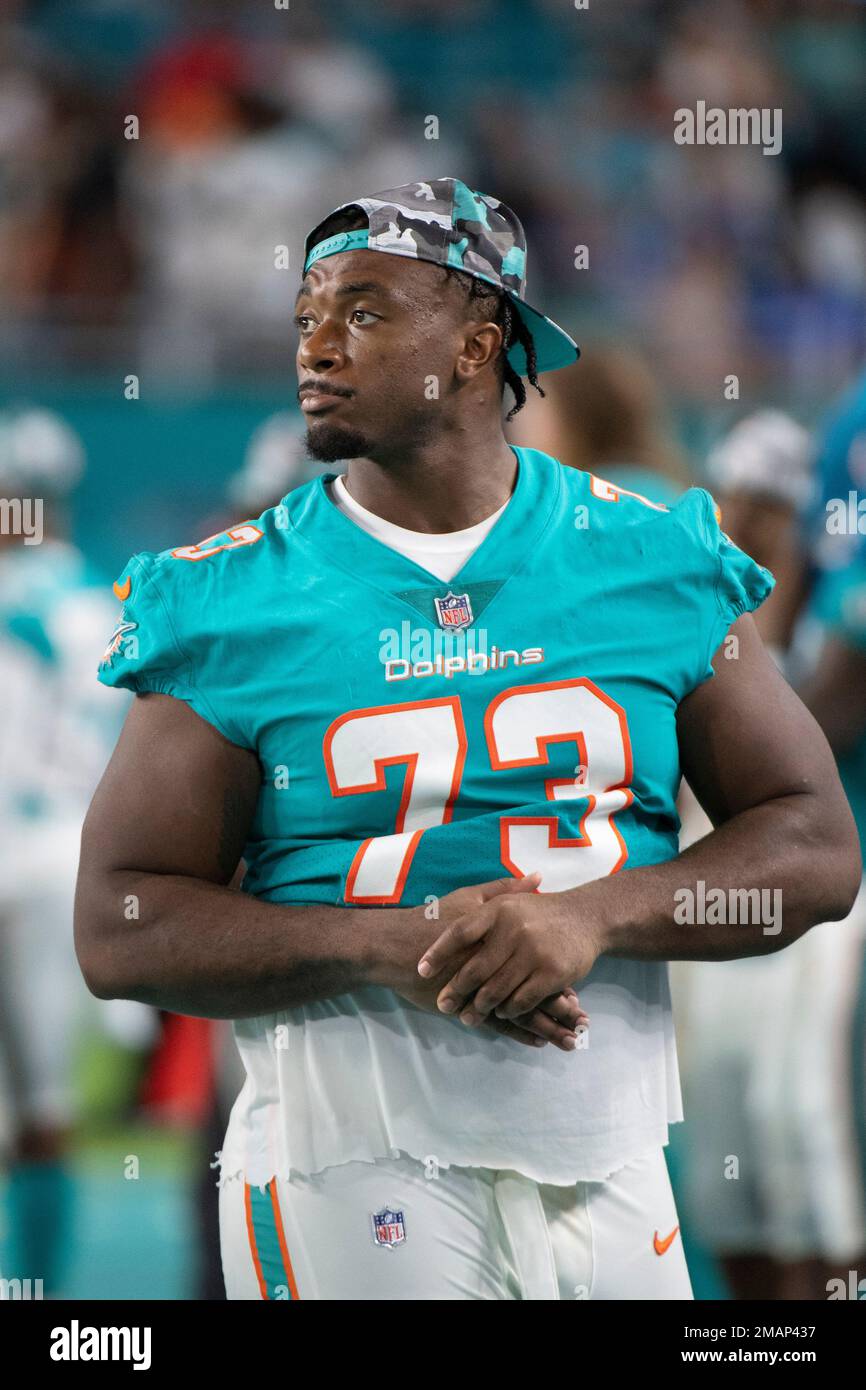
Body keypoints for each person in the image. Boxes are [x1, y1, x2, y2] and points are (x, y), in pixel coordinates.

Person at [75, 177, 860, 1302]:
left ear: (481, 340)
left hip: (611, 1151)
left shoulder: (648, 558)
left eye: (363, 310)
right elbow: (118, 921)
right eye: (305, 318)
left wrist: (589, 915)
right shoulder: (231, 597)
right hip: (342, 1157)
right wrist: (377, 944)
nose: (317, 347)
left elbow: (814, 844)